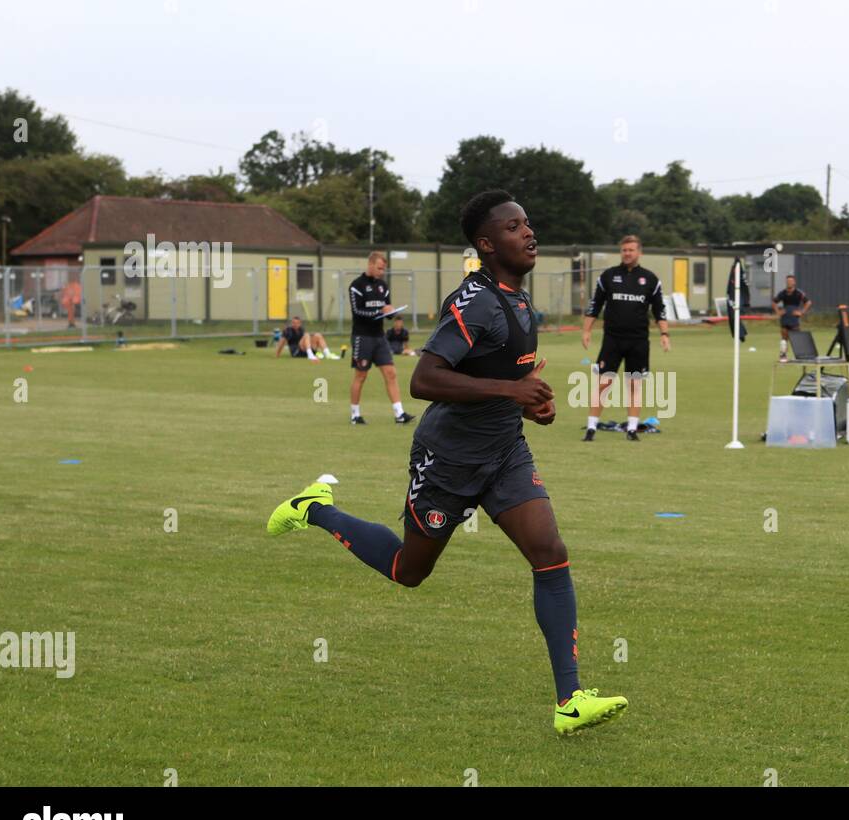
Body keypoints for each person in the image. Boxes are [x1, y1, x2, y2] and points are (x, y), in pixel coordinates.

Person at [266, 190, 627, 737]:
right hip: (448, 461)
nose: (528, 233)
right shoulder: (474, 301)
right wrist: (510, 389)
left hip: (505, 453)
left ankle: (569, 698)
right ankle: (315, 509)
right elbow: (425, 379)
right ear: (486, 244)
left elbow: (509, 384)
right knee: (408, 572)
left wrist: (533, 404)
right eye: (513, 227)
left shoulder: (525, 304)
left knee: (550, 554)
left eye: (528, 223)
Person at [581, 235, 669, 442]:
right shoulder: (608, 276)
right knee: (604, 383)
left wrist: (664, 334)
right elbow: (595, 305)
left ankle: (631, 429)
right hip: (612, 339)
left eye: (631, 250)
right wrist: (586, 330)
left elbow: (659, 310)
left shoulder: (650, 279)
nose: (627, 253)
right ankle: (591, 428)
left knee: (634, 385)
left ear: (639, 252)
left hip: (638, 341)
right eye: (624, 250)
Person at [348, 252, 413, 425]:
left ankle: (399, 414)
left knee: (391, 373)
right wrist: (379, 311)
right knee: (361, 375)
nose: (382, 271)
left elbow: (388, 315)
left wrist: (392, 311)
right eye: (379, 268)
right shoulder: (356, 286)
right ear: (370, 265)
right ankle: (355, 414)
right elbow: (357, 312)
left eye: (384, 268)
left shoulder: (383, 286)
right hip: (362, 337)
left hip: (379, 337)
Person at [772, 274, 810, 361]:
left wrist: (801, 312)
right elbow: (774, 302)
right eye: (787, 281)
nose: (789, 283)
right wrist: (778, 312)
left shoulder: (798, 293)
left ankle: (800, 355)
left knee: (797, 336)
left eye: (791, 281)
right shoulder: (783, 293)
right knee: (784, 338)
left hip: (794, 318)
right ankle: (783, 356)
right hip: (785, 318)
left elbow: (808, 302)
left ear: (794, 282)